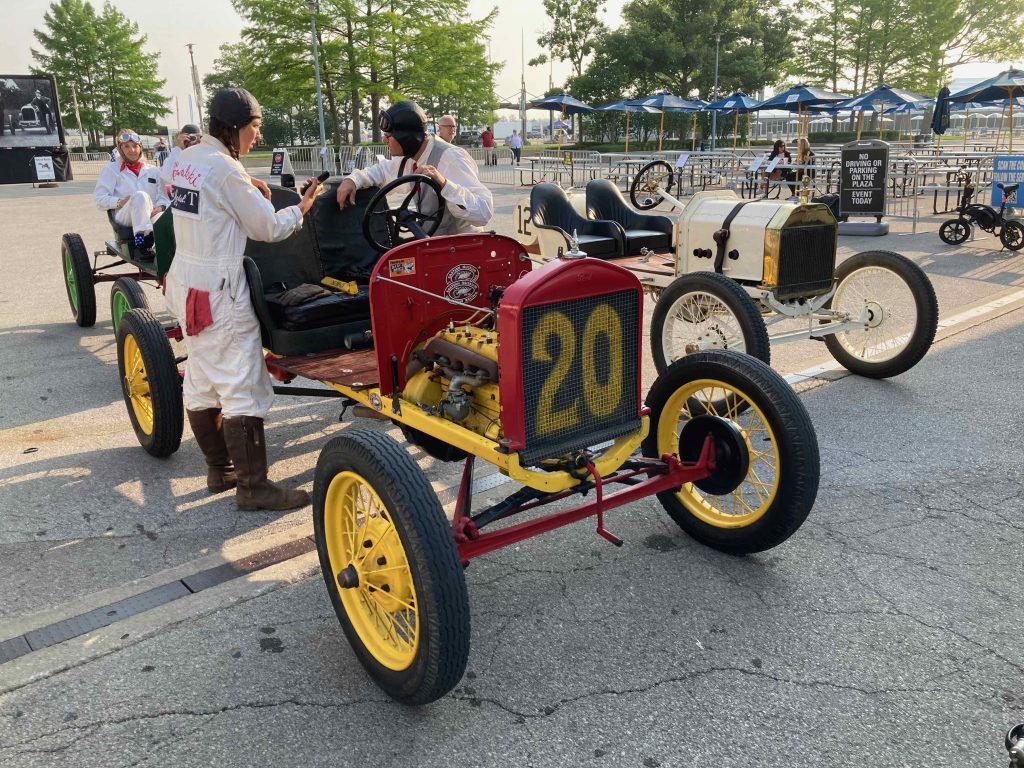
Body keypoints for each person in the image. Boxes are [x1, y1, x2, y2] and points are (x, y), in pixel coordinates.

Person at [164, 88, 324, 511]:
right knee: (242, 383)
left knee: (201, 376)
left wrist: (244, 179)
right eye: (254, 128)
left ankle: (220, 469)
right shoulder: (223, 170)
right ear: (234, 128)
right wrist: (302, 208)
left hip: (186, 281)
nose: (258, 136)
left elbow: (193, 189)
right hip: (220, 286)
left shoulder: (188, 159)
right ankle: (253, 488)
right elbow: (267, 228)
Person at [336, 100, 492, 234]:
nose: (385, 140)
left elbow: (483, 213)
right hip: (431, 246)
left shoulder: (450, 157)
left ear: (406, 137)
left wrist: (445, 184)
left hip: (461, 252)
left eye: (389, 136)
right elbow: (382, 171)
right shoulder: (411, 158)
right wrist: (353, 180)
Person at [94, 129, 169, 255]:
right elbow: (99, 199)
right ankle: (141, 243)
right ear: (120, 149)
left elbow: (164, 197)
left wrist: (160, 207)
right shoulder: (111, 170)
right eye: (126, 147)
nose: (132, 150)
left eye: (135, 146)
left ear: (140, 148)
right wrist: (119, 202)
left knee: (167, 218)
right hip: (125, 216)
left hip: (151, 214)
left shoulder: (153, 171)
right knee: (140, 196)